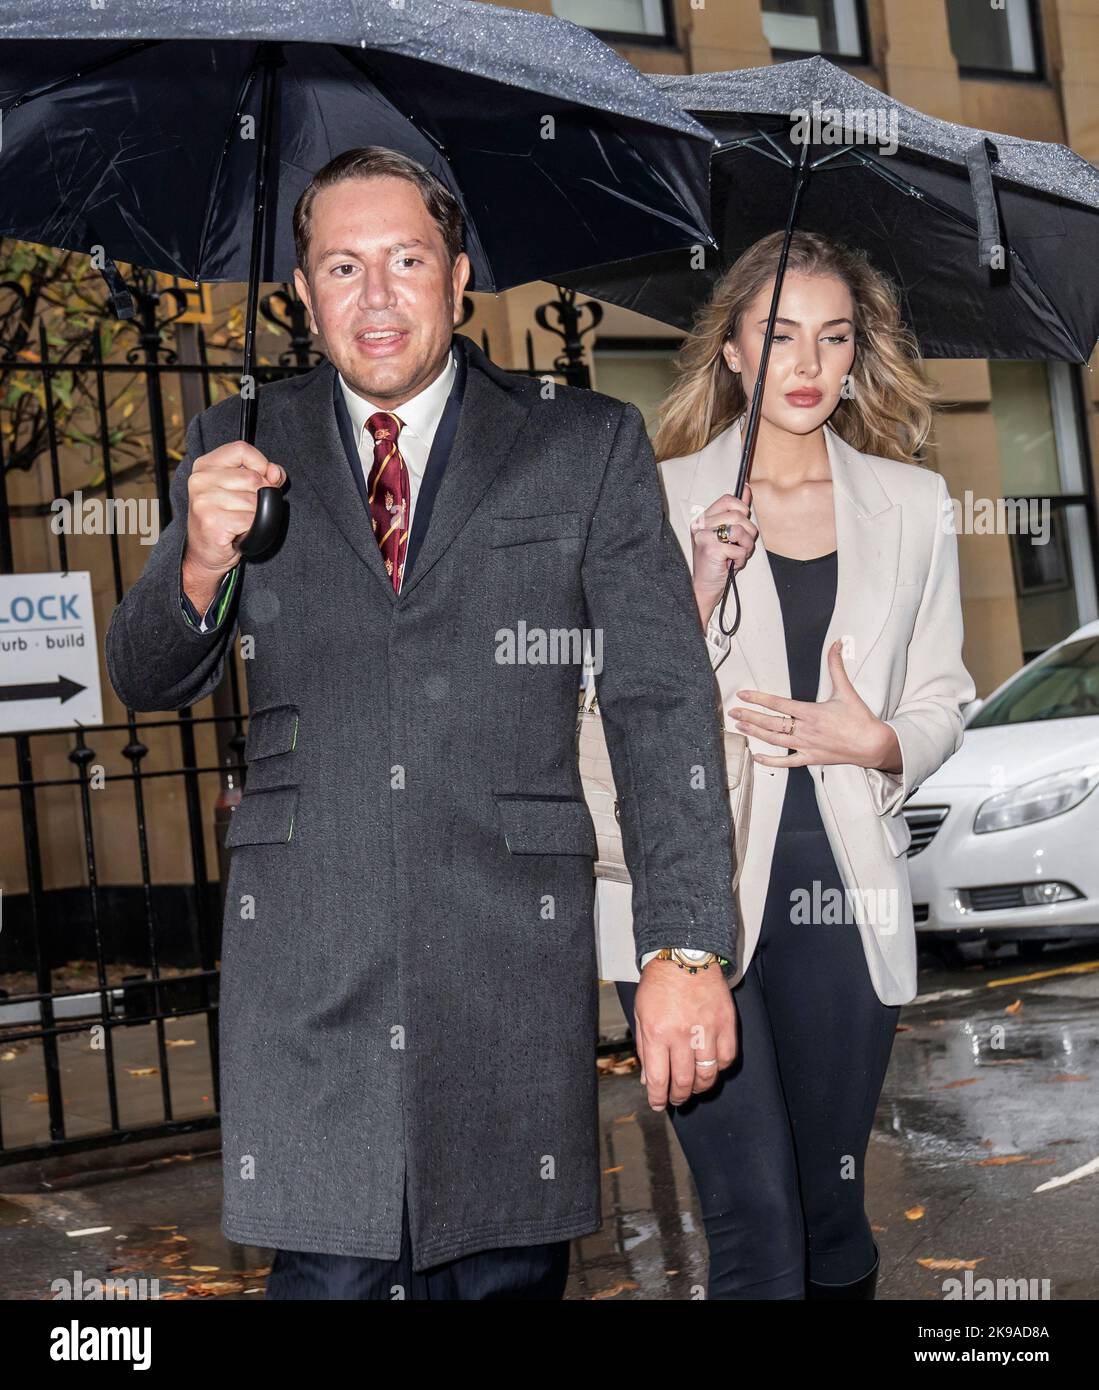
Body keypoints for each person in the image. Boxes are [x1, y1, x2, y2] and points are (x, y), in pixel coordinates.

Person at [105, 146, 743, 1300]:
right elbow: (148, 676)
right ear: (303, 296)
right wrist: (199, 562)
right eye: (342, 266)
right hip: (306, 961)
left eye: (406, 259)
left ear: (458, 279)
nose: (378, 295)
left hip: (504, 956)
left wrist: (683, 946)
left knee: (500, 1272)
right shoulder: (233, 443)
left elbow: (660, 699)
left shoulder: (582, 442)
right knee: (328, 1275)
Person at [597, 229, 976, 1300]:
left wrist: (880, 740)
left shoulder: (911, 505)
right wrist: (698, 584)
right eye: (778, 337)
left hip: (843, 889)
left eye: (833, 337)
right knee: (752, 1221)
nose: (806, 365)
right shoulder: (654, 495)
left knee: (824, 1213)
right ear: (729, 352)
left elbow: (945, 693)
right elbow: (590, 697)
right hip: (688, 888)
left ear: (858, 355)